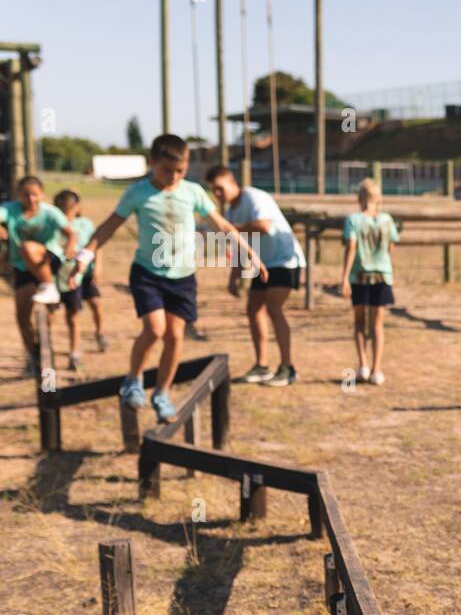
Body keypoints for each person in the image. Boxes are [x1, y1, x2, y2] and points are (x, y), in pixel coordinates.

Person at [76, 134, 264, 423]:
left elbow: (222, 225)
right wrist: (86, 255)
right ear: (152, 163)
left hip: (182, 276)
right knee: (154, 329)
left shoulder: (192, 193)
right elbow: (109, 227)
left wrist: (249, 251)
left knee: (175, 336)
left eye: (181, 170)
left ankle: (161, 393)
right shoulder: (138, 193)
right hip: (148, 273)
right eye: (167, 170)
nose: (174, 176)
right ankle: (133, 379)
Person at [205, 166, 304, 386]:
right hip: (264, 264)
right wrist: (234, 277)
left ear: (232, 182)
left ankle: (288, 368)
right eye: (214, 191)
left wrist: (233, 229)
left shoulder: (254, 197)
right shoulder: (230, 212)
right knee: (253, 309)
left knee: (273, 307)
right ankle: (262, 365)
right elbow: (240, 246)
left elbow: (264, 226)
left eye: (220, 188)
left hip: (285, 258)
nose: (218, 194)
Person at [2, 176, 77, 374]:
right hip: (23, 269)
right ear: (18, 195)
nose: (31, 199)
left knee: (45, 319)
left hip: (48, 261)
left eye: (35, 194)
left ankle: (49, 287)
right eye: (26, 194)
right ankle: (32, 357)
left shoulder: (50, 213)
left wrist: (70, 247)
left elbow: (71, 234)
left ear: (42, 194)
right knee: (22, 316)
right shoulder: (10, 210)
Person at [339, 178, 399, 386]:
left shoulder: (353, 220)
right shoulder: (387, 220)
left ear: (360, 197)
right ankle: (377, 369)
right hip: (382, 275)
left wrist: (344, 276)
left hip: (360, 276)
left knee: (359, 322)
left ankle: (363, 364)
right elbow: (392, 246)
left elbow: (351, 247)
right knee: (378, 324)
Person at [53, 189, 107, 371]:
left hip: (87, 271)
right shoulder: (55, 226)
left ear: (77, 207)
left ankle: (100, 333)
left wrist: (97, 269)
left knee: (96, 304)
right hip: (67, 274)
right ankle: (74, 353)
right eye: (63, 209)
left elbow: (96, 246)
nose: (67, 212)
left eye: (69, 208)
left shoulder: (85, 224)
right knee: (73, 314)